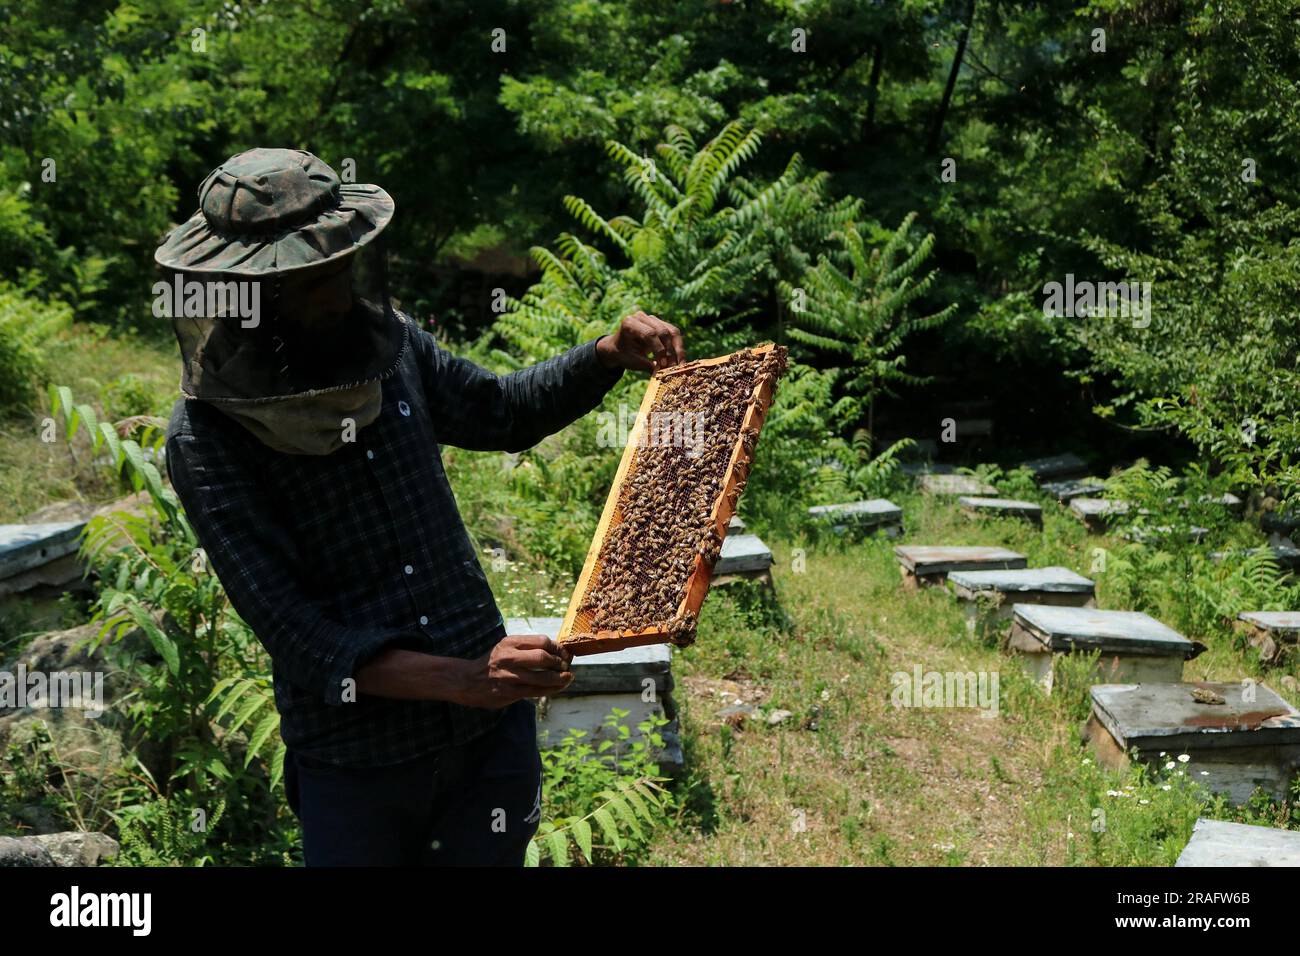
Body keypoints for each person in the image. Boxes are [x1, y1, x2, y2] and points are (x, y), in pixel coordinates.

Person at [156, 148, 685, 865]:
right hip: (360, 765)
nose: (336, 294)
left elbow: (499, 412)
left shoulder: (393, 344)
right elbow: (297, 633)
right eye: (307, 283)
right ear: (243, 293)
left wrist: (602, 354)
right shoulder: (207, 436)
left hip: (487, 741)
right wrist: (462, 680)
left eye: (341, 268)